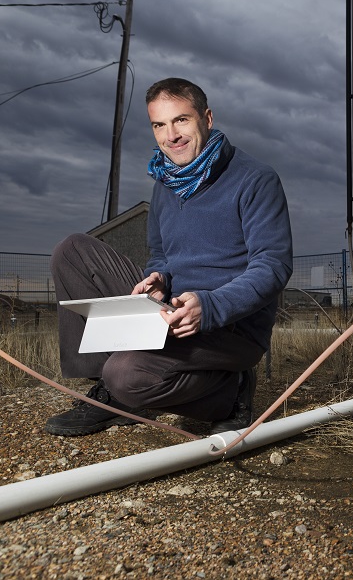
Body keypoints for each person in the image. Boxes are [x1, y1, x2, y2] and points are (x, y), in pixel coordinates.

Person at [45, 78, 293, 436]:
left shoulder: (256, 180)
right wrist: (158, 278)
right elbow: (161, 253)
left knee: (127, 375)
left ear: (206, 118)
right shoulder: (166, 182)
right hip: (172, 310)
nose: (171, 135)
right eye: (159, 125)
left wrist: (210, 306)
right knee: (72, 251)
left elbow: (274, 266)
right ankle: (109, 396)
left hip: (228, 325)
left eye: (181, 120)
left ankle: (231, 391)